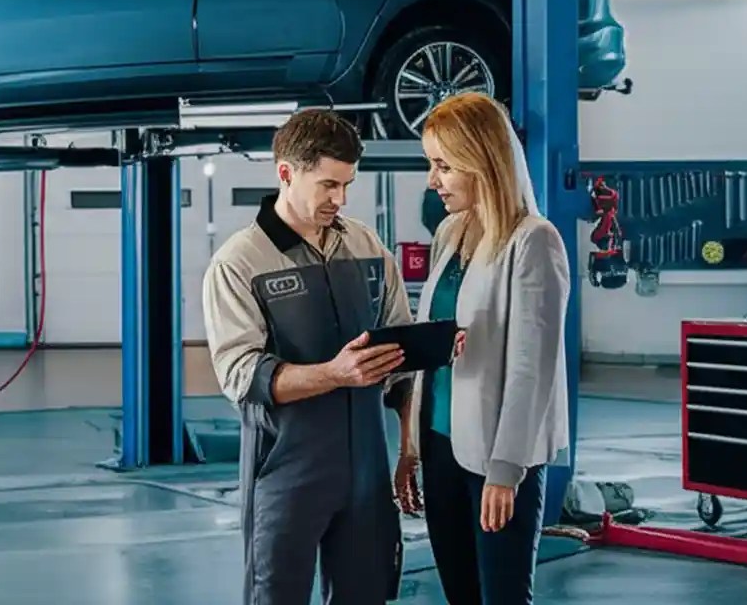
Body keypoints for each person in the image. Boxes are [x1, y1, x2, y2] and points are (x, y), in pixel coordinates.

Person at [201, 109, 419, 605]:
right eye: (327, 185)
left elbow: (401, 353)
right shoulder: (240, 262)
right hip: (285, 474)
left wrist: (408, 447)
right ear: (286, 173)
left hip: (367, 471)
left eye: (347, 185)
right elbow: (240, 374)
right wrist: (333, 374)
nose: (339, 199)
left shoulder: (365, 246)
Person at [392, 91, 572, 605]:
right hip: (443, 444)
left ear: (482, 160)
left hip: (499, 454)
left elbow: (531, 369)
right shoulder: (450, 233)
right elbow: (439, 342)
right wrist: (410, 448)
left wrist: (507, 470)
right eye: (432, 165)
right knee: (460, 594)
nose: (433, 180)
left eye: (443, 166)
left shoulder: (534, 241)